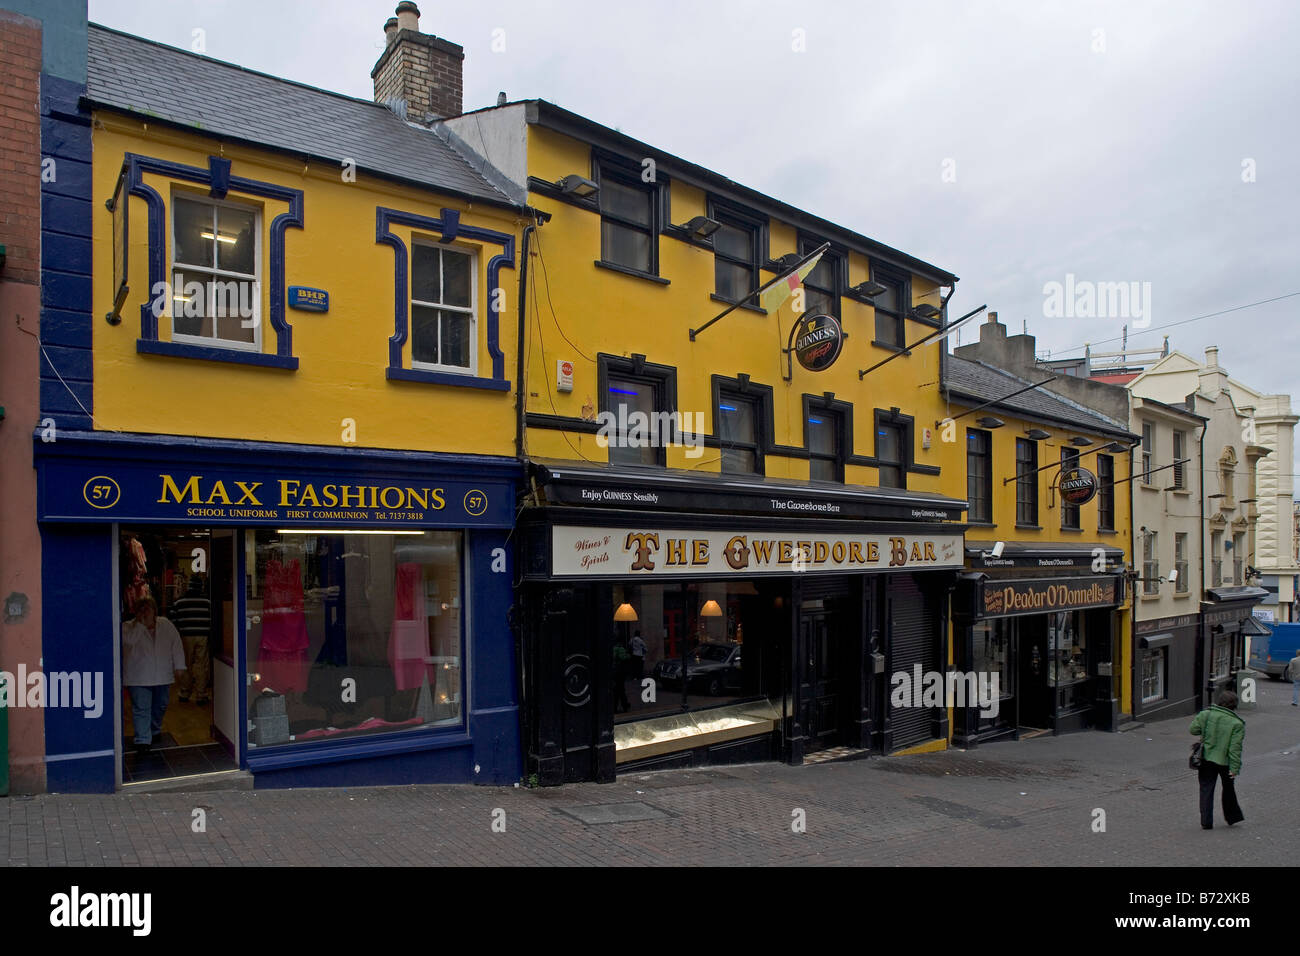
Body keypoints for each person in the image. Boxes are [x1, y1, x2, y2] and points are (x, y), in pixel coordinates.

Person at [122, 597, 186, 753]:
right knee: (141, 708)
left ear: (155, 611)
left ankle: (154, 729)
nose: (145, 611)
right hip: (138, 677)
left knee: (161, 705)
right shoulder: (128, 627)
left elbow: (176, 644)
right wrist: (141, 625)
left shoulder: (166, 624)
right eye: (141, 608)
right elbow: (128, 643)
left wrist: (180, 665)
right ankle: (142, 739)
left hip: (162, 675)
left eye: (148, 608)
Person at [1190, 689, 1246, 829]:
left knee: (1206, 789)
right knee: (1228, 788)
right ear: (1234, 705)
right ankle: (1232, 817)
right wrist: (1234, 769)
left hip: (1206, 758)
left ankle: (1206, 822)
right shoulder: (1237, 724)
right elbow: (1235, 749)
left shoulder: (1206, 714)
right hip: (1225, 761)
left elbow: (1193, 729)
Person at [172, 577, 213, 706]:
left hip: (185, 636)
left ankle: (185, 693)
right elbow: (212, 620)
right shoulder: (207, 602)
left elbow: (173, 622)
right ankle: (201, 695)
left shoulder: (179, 602)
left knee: (186, 665)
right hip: (203, 635)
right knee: (201, 665)